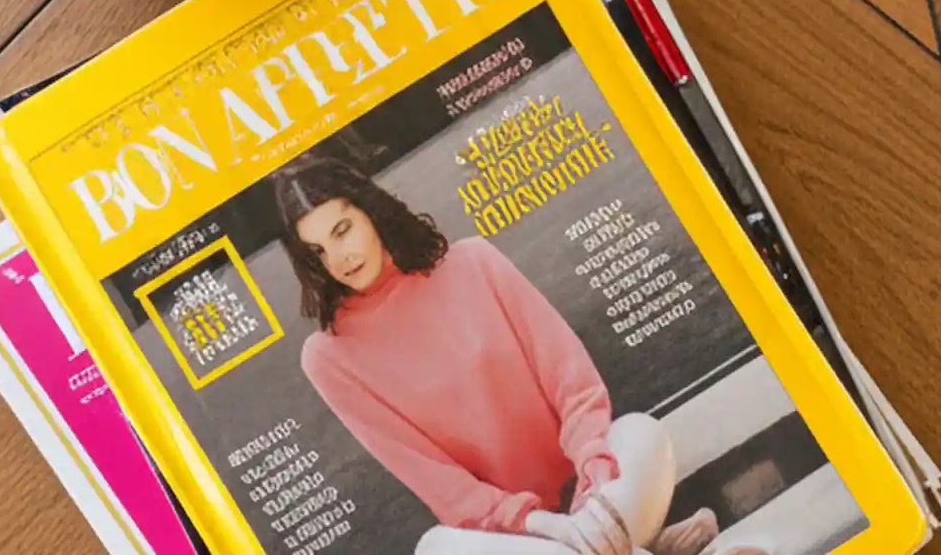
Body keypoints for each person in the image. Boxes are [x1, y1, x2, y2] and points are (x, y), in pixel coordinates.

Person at [273, 155, 758, 555]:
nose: (339, 259)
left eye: (342, 231)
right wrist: (542, 527)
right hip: (520, 541)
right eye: (316, 252)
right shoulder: (330, 357)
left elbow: (573, 384)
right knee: (435, 550)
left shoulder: (472, 264)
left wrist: (591, 483)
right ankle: (651, 550)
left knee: (642, 435)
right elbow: (439, 483)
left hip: (594, 497)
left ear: (370, 212)